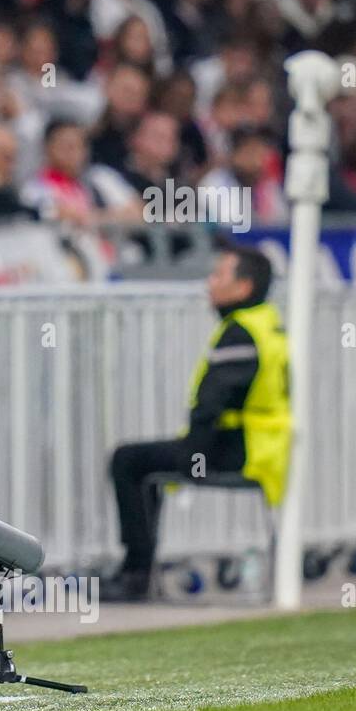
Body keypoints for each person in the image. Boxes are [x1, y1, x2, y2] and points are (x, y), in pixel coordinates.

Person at [103, 246, 290, 601]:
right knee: (144, 464)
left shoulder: (241, 332)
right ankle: (139, 572)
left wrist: (193, 457)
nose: (209, 283)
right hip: (267, 450)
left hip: (239, 448)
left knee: (127, 460)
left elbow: (209, 406)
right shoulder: (269, 323)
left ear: (243, 287)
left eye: (219, 275)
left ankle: (135, 575)